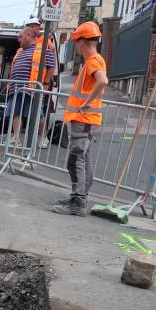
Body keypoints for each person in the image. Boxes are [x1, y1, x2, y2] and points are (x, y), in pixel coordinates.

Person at [53, 21, 109, 216]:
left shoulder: (93, 60)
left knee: (76, 159)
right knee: (84, 159)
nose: (76, 45)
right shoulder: (96, 60)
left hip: (84, 119)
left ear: (83, 41)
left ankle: (78, 202)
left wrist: (87, 103)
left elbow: (103, 81)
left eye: (77, 41)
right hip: (87, 120)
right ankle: (80, 198)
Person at [5, 27, 55, 148]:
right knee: (15, 112)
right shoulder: (20, 51)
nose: (18, 40)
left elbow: (51, 66)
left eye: (20, 37)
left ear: (29, 36)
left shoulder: (43, 49)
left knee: (38, 114)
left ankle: (43, 138)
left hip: (33, 89)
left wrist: (46, 84)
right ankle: (16, 138)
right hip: (16, 88)